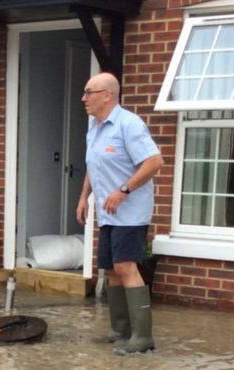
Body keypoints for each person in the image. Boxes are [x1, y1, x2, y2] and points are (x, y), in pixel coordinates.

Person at [75, 72, 163, 355]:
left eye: (89, 92)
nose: (83, 98)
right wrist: (84, 197)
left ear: (107, 95)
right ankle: (120, 330)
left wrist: (123, 190)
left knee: (126, 267)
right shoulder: (95, 127)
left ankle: (143, 337)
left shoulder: (129, 124)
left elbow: (153, 161)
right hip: (108, 213)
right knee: (111, 269)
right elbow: (94, 164)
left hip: (130, 212)